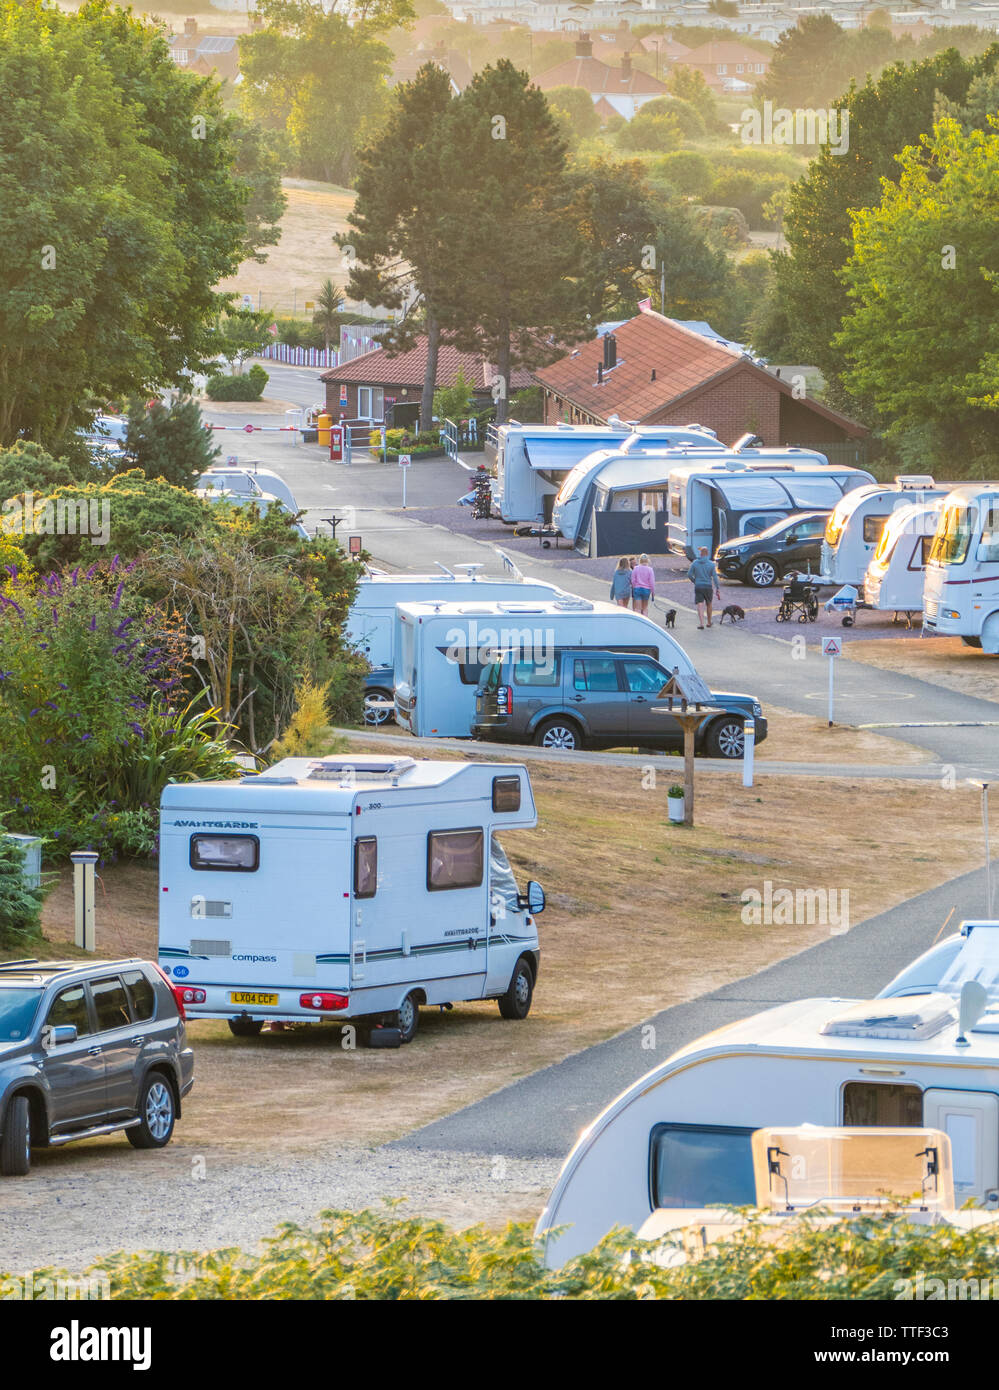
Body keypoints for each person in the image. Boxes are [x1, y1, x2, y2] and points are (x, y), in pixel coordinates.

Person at [688, 546, 721, 628]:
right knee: (709, 604)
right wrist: (717, 588)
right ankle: (709, 622)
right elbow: (715, 577)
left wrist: (695, 581)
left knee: (700, 604)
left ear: (700, 554)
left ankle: (701, 623)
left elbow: (689, 574)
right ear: (707, 554)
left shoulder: (695, 563)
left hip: (698, 586)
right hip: (708, 586)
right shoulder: (711, 564)